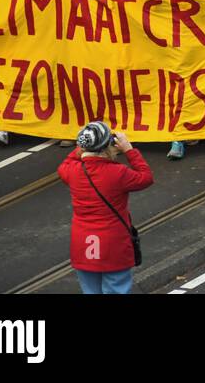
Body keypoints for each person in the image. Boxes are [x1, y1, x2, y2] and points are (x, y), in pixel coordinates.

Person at [58, 121, 153, 294]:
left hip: (82, 244)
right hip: (113, 244)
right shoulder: (118, 173)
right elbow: (146, 177)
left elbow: (67, 162)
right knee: (116, 289)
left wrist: (83, 144)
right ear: (107, 146)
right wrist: (129, 150)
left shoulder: (72, 171)